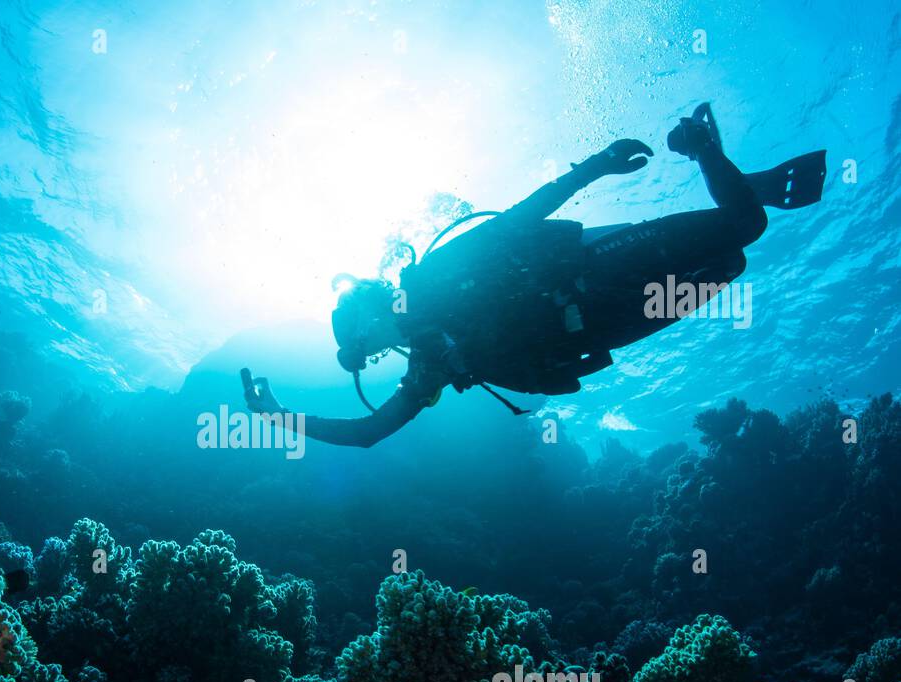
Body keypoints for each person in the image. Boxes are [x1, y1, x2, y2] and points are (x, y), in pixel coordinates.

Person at [242, 103, 826, 448]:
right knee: (731, 259)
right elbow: (368, 434)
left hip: (597, 264)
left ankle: (702, 149)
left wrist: (596, 166)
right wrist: (275, 416)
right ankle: (754, 183)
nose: (361, 353)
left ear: (370, 310)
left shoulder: (435, 276)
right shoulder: (429, 368)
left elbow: (519, 220)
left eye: (355, 336)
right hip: (610, 324)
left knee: (744, 228)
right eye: (355, 350)